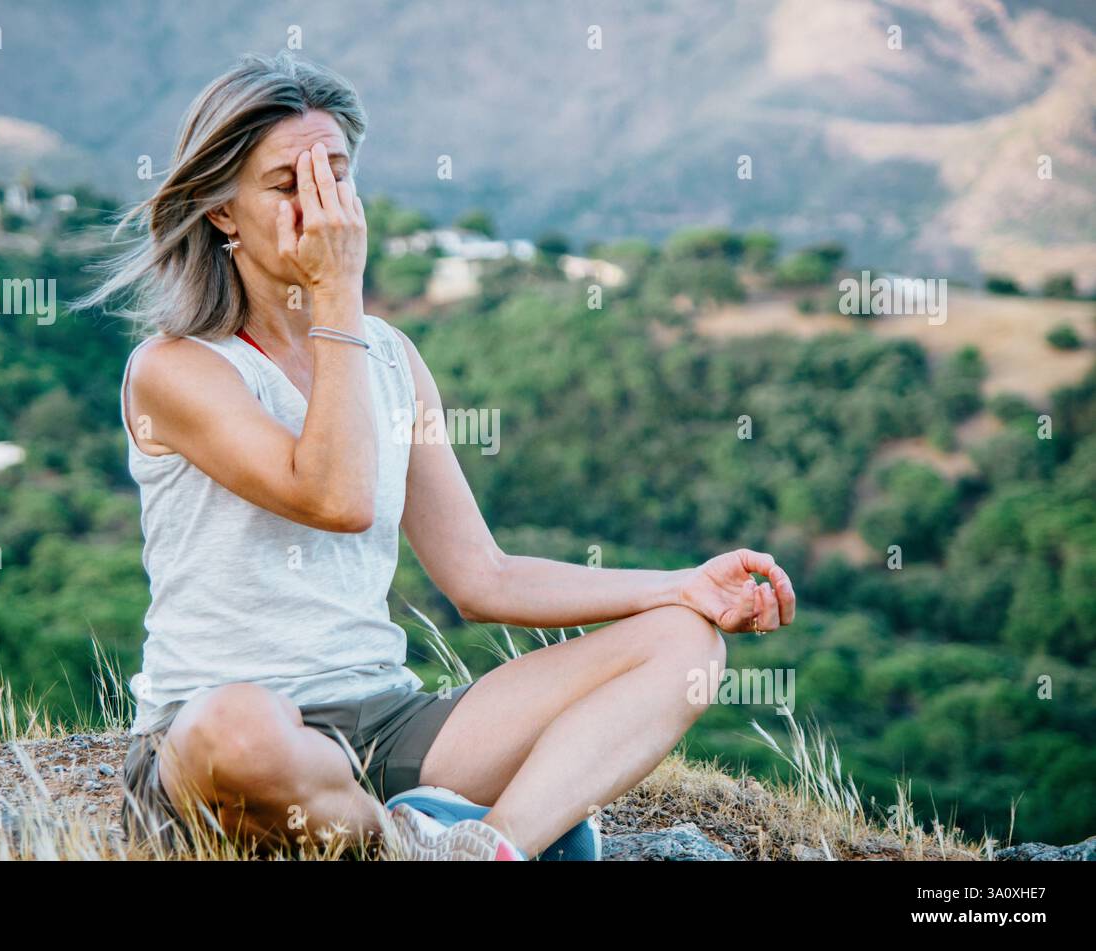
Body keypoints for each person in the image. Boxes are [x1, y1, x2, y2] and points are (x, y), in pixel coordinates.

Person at [76, 50, 796, 861]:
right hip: (226, 745)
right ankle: (403, 837)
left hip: (383, 724)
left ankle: (491, 847)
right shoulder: (177, 369)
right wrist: (338, 295)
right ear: (220, 213)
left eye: (337, 178)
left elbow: (483, 576)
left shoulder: (389, 359)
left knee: (684, 643)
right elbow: (333, 496)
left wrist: (681, 586)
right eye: (288, 186)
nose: (325, 210)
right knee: (237, 727)